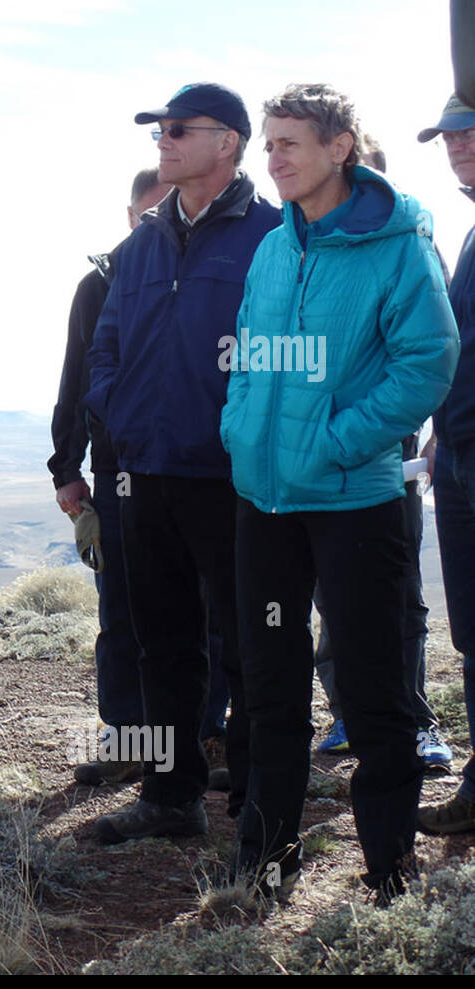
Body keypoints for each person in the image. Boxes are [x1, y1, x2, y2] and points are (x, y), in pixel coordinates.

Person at [220, 84, 457, 901]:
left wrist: (334, 441)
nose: (273, 157)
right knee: (269, 683)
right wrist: (240, 428)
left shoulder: (398, 242)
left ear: (341, 146)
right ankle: (263, 860)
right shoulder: (275, 247)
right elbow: (249, 352)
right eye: (269, 142)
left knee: (371, 685)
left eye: (289, 142)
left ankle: (389, 867)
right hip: (265, 501)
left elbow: (425, 363)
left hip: (355, 502)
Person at [85, 83, 281, 843]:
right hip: (147, 474)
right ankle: (170, 798)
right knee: (162, 642)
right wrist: (121, 413)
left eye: (177, 130)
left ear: (228, 142)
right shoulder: (140, 244)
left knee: (250, 640)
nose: (161, 142)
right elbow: (106, 345)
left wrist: (242, 429)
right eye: (157, 131)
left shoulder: (274, 237)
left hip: (234, 476)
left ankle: (261, 805)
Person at [50, 168, 231, 789]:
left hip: (206, 469)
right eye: (152, 212)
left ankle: (207, 736)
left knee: (209, 612)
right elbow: (77, 381)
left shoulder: (223, 267)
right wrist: (65, 466)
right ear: (132, 217)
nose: (165, 221)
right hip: (121, 470)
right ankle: (129, 738)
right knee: (125, 609)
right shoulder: (101, 282)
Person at [310, 135, 451, 768]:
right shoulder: (298, 251)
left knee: (402, 595)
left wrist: (436, 429)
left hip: (392, 457)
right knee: (330, 596)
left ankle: (415, 719)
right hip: (313, 460)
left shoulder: (414, 251)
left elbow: (444, 354)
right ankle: (345, 716)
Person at [418, 93, 475, 834]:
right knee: (471, 633)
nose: (457, 146)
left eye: (469, 132)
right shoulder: (468, 237)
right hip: (458, 456)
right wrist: (442, 430)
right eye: (449, 138)